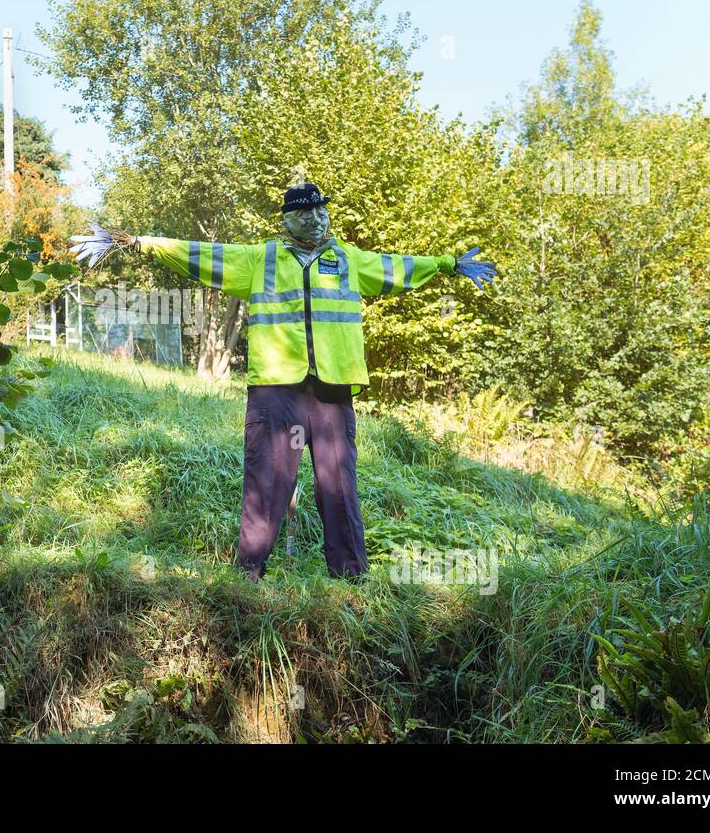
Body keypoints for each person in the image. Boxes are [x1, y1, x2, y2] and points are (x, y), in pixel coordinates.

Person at [70, 182, 497, 582]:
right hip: (277, 392)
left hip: (332, 391)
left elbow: (399, 268)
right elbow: (201, 254)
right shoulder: (262, 259)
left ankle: (351, 578)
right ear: (286, 222)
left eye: (321, 211)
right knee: (267, 482)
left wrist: (449, 265)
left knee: (340, 484)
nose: (316, 219)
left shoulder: (349, 260)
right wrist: (139, 242)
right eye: (305, 213)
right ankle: (248, 576)